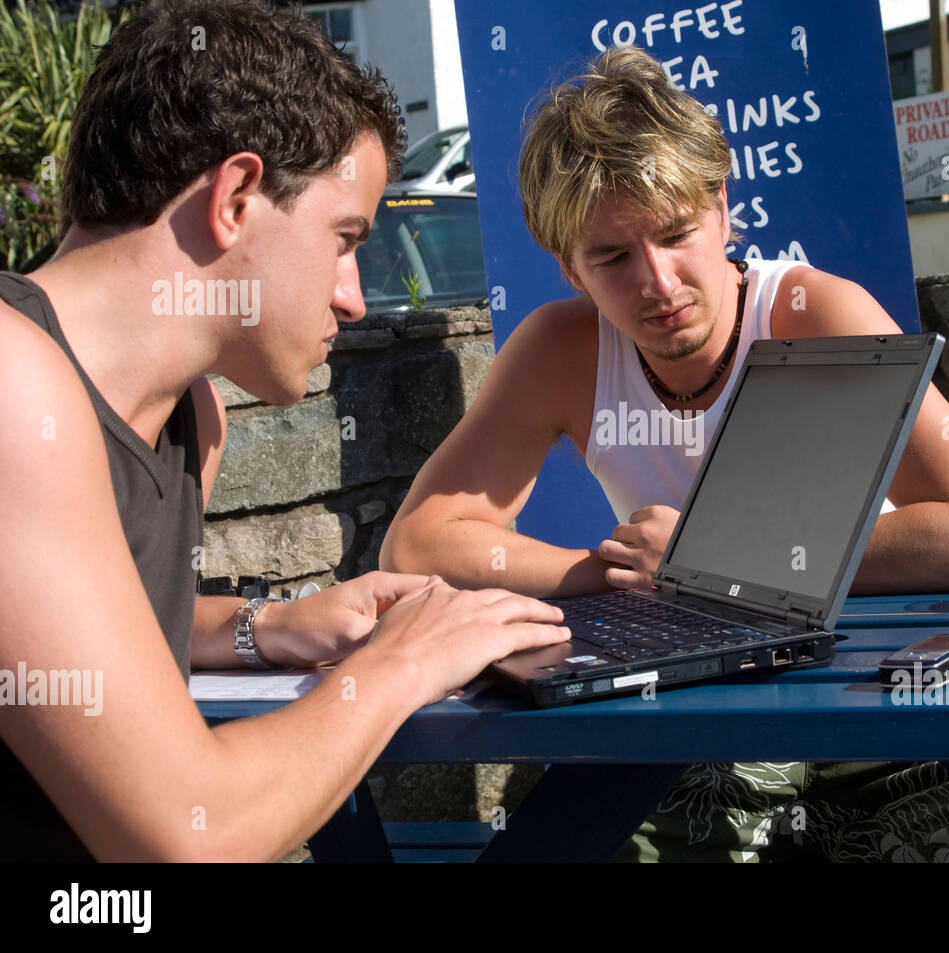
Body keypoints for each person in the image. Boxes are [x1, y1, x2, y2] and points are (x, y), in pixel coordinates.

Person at [381, 47, 949, 861]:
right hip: (695, 717)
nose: (656, 282)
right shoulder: (560, 347)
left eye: (676, 233)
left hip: (872, 696)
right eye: (612, 257)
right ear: (569, 268)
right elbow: (420, 540)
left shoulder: (813, 311)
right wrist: (610, 571)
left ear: (723, 208)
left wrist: (707, 558)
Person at [0, 0, 569, 862]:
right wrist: (406, 662)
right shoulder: (12, 384)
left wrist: (269, 626)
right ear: (234, 197)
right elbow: (189, 831)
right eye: (345, 238)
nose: (351, 293)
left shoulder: (194, 417)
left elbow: (91, 635)